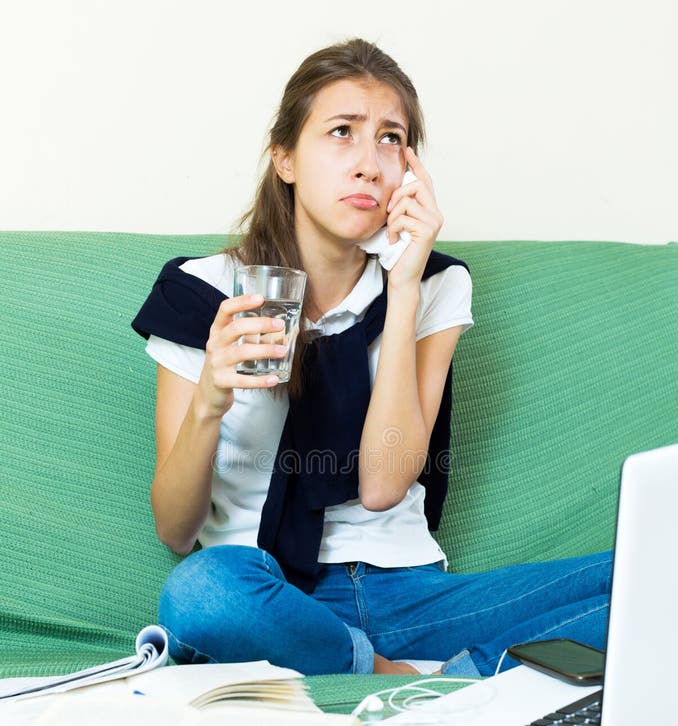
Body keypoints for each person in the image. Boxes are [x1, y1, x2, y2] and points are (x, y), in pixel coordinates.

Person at [132, 38, 611, 678]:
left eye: (391, 138)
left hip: (411, 593)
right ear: (285, 159)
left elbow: (385, 487)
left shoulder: (436, 284)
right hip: (271, 592)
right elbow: (175, 529)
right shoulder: (205, 292)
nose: (368, 164)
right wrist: (211, 405)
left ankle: (451, 674)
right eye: (341, 132)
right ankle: (415, 678)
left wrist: (404, 283)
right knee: (201, 591)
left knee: (656, 568)